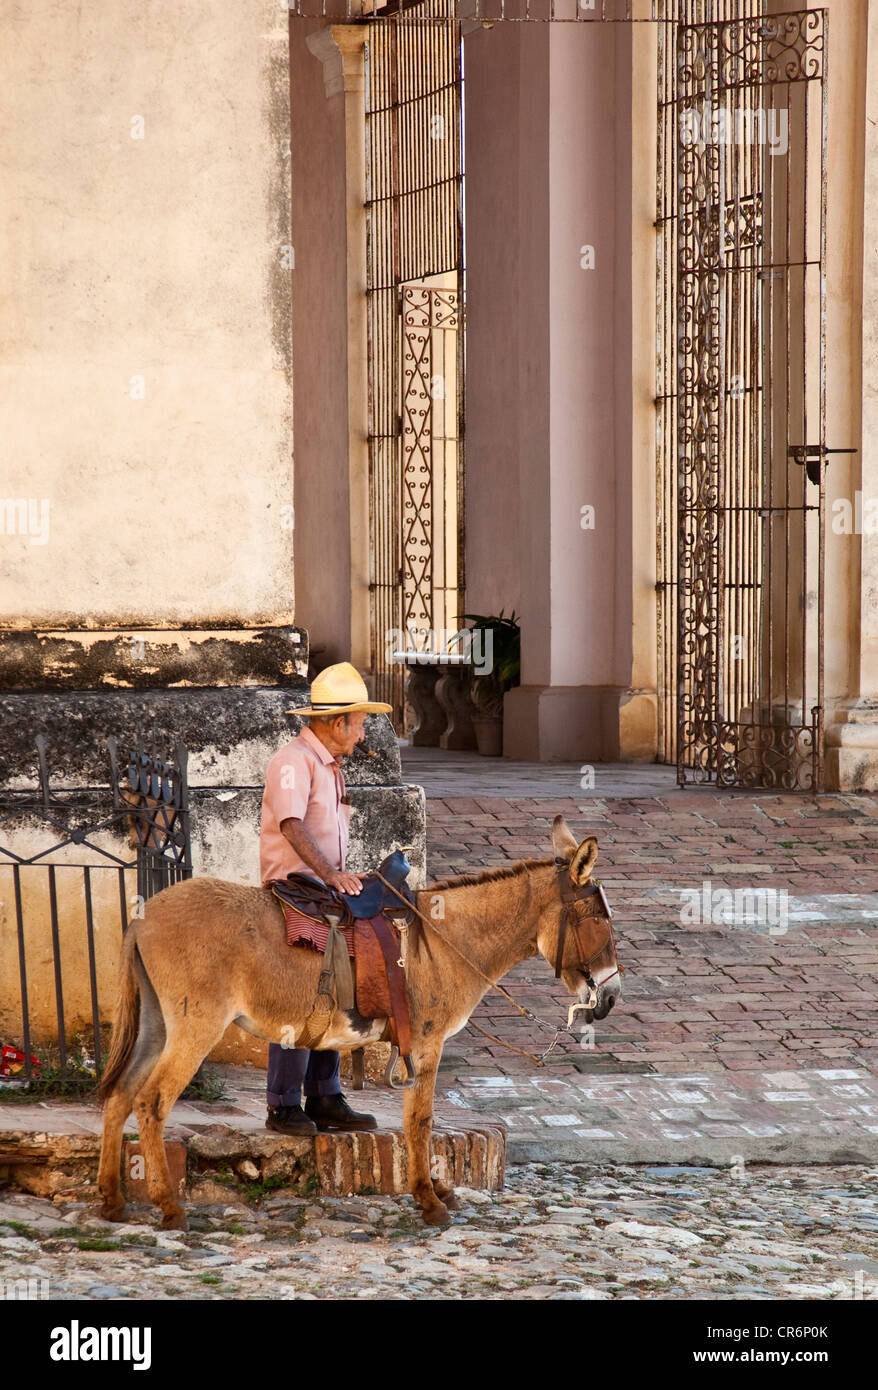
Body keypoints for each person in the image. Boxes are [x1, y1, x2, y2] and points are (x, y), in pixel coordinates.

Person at [260, 661, 392, 1135]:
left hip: (319, 888)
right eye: (358, 724)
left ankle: (324, 1094)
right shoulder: (292, 762)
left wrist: (340, 876)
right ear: (338, 723)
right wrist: (332, 874)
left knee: (335, 983)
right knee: (302, 987)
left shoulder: (325, 764)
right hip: (294, 891)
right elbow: (292, 826)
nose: (361, 735)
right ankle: (283, 1102)